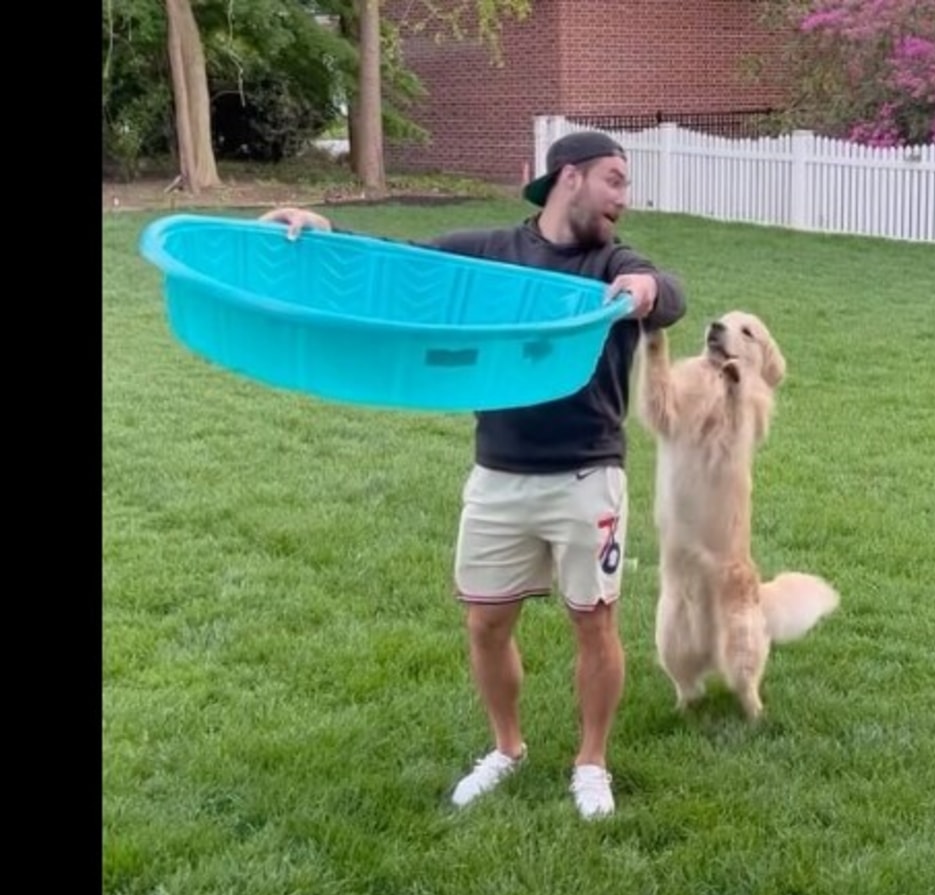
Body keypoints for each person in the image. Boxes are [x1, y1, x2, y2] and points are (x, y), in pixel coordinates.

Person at [258, 131, 688, 819]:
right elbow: (405, 268)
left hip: (587, 473)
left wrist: (645, 288)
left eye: (625, 185)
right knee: (486, 623)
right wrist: (326, 228)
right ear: (569, 177)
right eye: (614, 180)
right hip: (499, 471)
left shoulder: (613, 261)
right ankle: (507, 749)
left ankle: (592, 762)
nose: (622, 199)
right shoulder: (491, 253)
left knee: (595, 624)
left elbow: (668, 293)